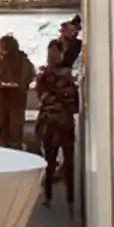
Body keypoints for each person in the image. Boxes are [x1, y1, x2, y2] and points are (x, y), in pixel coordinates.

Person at [36, 40, 80, 209]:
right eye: (50, 53)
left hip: (62, 121)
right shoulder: (50, 74)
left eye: (54, 52)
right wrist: (61, 96)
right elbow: (45, 95)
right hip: (51, 120)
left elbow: (70, 98)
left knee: (67, 161)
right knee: (50, 160)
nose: (51, 56)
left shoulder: (64, 74)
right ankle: (49, 196)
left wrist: (55, 97)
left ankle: (69, 197)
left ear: (62, 54)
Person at [0, 34, 34, 150]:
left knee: (15, 128)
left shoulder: (21, 59)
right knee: (3, 127)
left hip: (16, 97)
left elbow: (28, 75)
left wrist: (21, 84)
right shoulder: (1, 59)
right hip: (3, 96)